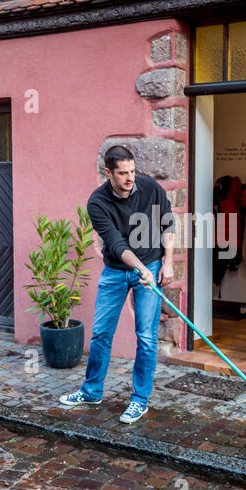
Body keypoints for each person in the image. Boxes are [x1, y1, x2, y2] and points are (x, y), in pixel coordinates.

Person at [60, 145, 175, 423]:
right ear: (108, 172)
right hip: (116, 270)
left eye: (133, 171)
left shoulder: (151, 189)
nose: (130, 178)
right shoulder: (97, 202)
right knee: (101, 333)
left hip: (150, 263)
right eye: (123, 173)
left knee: (146, 337)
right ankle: (91, 391)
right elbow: (116, 243)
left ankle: (139, 400)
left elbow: (167, 223)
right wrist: (139, 269)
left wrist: (167, 262)